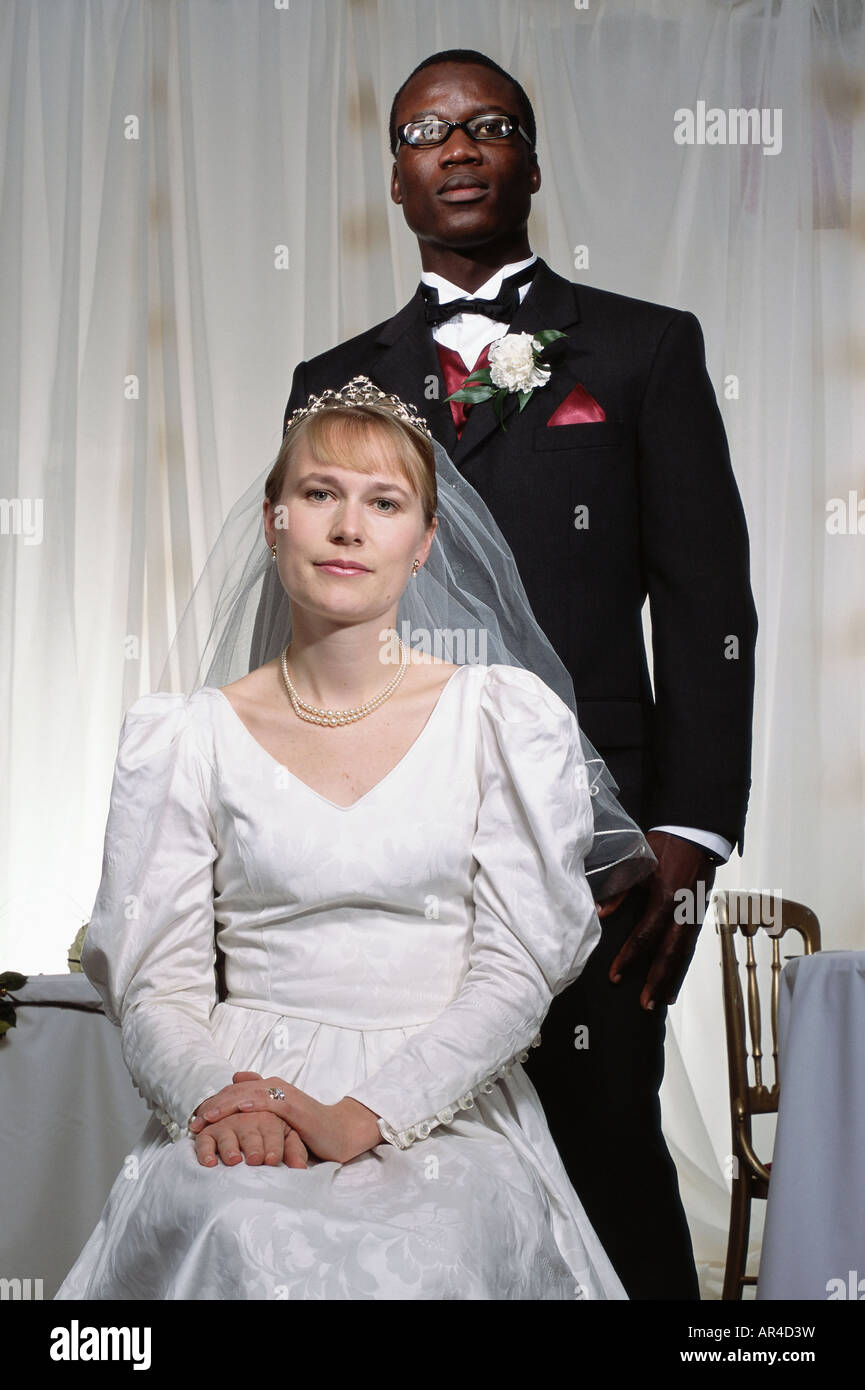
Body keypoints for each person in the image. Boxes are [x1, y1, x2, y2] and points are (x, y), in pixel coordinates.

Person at [247, 50, 758, 1298]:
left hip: (600, 839)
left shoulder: (642, 350)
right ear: (397, 179)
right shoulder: (336, 382)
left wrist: (687, 829)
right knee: (408, 1144)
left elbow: (705, 600)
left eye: (489, 125)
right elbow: (309, 611)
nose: (460, 147)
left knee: (605, 1132)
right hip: (389, 829)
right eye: (427, 132)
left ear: (530, 160)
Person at [56, 381, 653, 1301]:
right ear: (274, 520)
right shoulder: (184, 736)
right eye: (319, 493)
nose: (347, 528)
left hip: (441, 1103)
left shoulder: (499, 720)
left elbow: (516, 971)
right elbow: (156, 983)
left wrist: (367, 1113)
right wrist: (224, 1100)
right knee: (237, 1231)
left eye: (383, 503)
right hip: (239, 1092)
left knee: (435, 1259)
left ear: (424, 542)